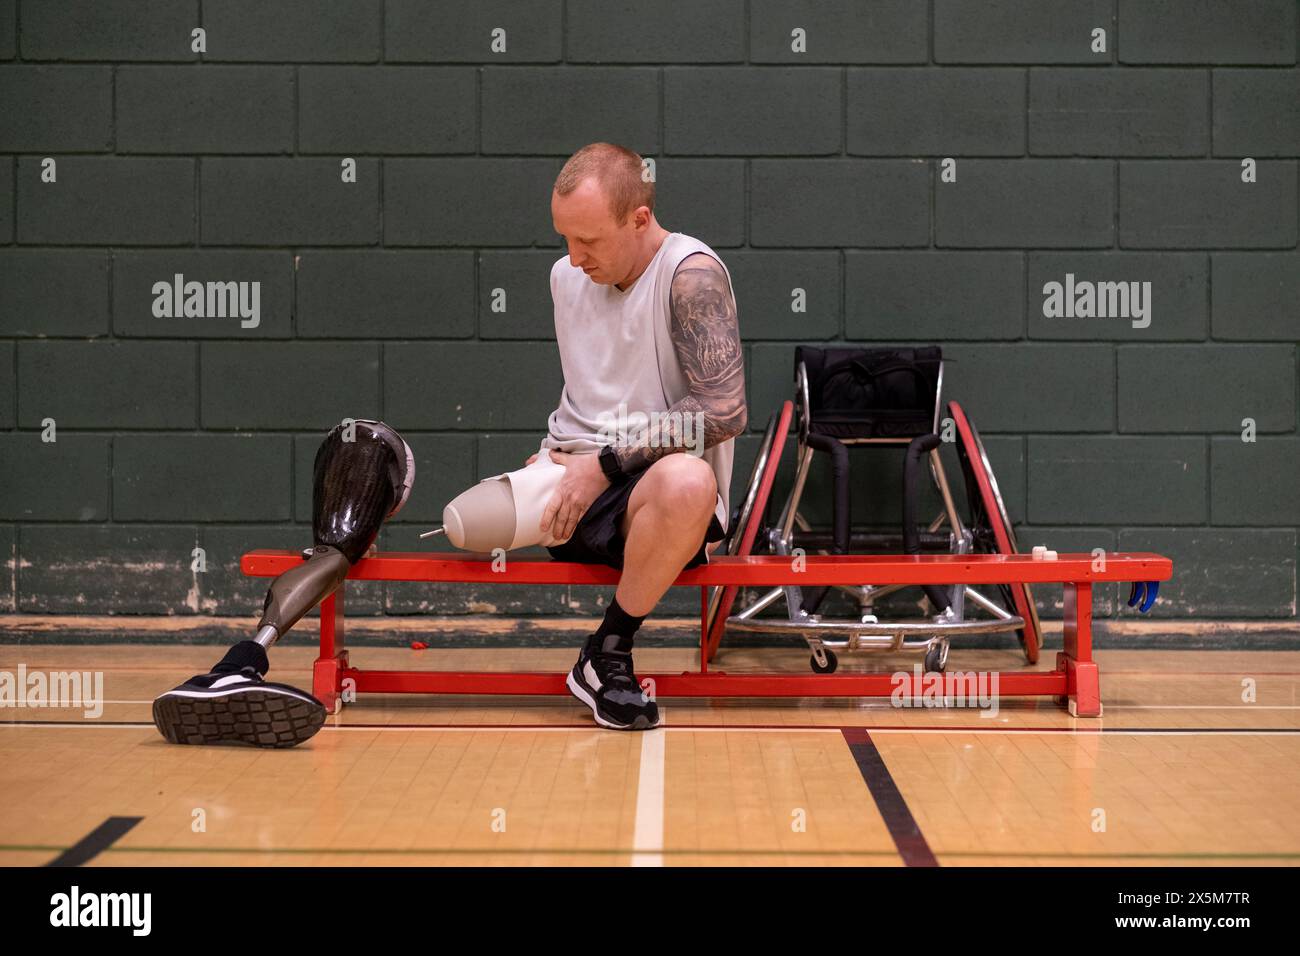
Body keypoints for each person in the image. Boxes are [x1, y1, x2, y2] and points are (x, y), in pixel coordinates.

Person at [539, 142, 747, 731]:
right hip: (570, 480)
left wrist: (601, 465)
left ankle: (608, 650)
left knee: (688, 479)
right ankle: (258, 655)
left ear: (639, 219)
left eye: (590, 241)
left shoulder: (692, 274)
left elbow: (724, 408)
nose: (575, 257)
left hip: (646, 493)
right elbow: (589, 393)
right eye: (566, 239)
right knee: (459, 525)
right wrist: (554, 461)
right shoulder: (564, 275)